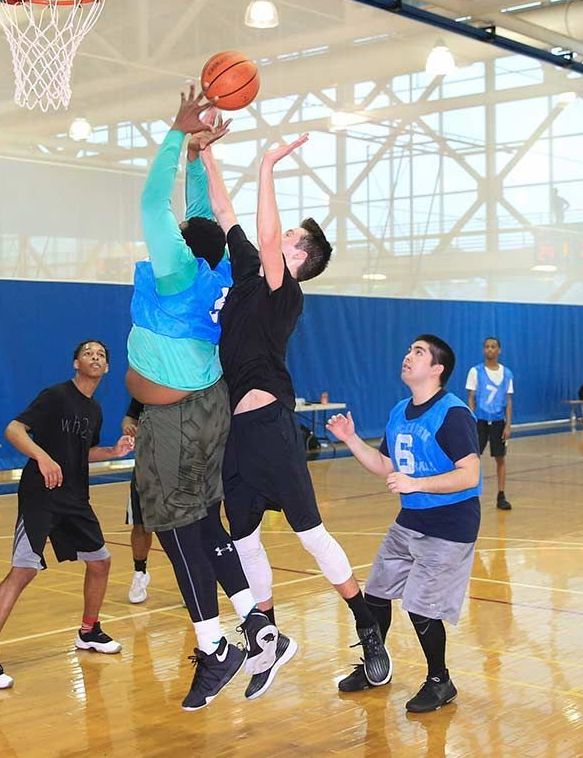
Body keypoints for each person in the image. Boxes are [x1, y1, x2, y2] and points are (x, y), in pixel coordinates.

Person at [199, 130, 388, 699]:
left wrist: (268, 164)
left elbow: (259, 228)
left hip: (271, 427)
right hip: (234, 432)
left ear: (299, 257)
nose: (278, 236)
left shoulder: (286, 293)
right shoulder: (250, 272)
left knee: (310, 534)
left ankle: (366, 624)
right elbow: (227, 212)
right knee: (244, 540)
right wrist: (206, 151)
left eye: (288, 237)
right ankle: (268, 639)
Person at [128, 88, 275, 711]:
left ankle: (215, 646)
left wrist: (172, 135)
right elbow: (194, 214)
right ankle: (255, 624)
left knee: (174, 523)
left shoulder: (179, 271)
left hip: (179, 417)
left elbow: (150, 207)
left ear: (186, 245)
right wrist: (194, 153)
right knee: (200, 521)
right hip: (201, 408)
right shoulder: (215, 268)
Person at [0, 340, 135, 688]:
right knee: (24, 570)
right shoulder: (56, 396)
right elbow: (13, 429)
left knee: (100, 562)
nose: (95, 357)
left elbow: (83, 453)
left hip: (74, 497)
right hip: (42, 493)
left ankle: (89, 631)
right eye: (88, 353)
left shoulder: (95, 410)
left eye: (101, 354)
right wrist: (42, 457)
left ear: (108, 368)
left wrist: (113, 451)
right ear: (75, 363)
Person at [327, 334, 482, 714]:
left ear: (437, 369)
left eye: (418, 352)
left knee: (422, 607)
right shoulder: (400, 411)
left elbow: (471, 475)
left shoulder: (452, 413)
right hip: (410, 520)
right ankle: (375, 669)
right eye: (409, 350)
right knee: (376, 594)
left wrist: (417, 484)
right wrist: (350, 440)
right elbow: (385, 466)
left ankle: (440, 681)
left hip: (449, 525)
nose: (408, 356)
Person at [465, 336, 513, 511]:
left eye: (493, 347)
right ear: (483, 349)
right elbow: (471, 397)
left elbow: (508, 400)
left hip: (499, 421)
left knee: (500, 458)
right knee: (472, 458)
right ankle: (470, 494)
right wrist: (471, 420)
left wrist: (508, 425)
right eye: (487, 346)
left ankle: (501, 495)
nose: (490, 349)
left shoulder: (507, 374)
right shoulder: (475, 371)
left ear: (499, 350)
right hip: (480, 421)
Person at [121, 398, 154, 604]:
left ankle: (191, 578)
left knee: (183, 529)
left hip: (180, 467)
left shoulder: (185, 384)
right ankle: (139, 573)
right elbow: (129, 418)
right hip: (145, 467)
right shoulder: (145, 389)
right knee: (140, 525)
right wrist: (128, 426)